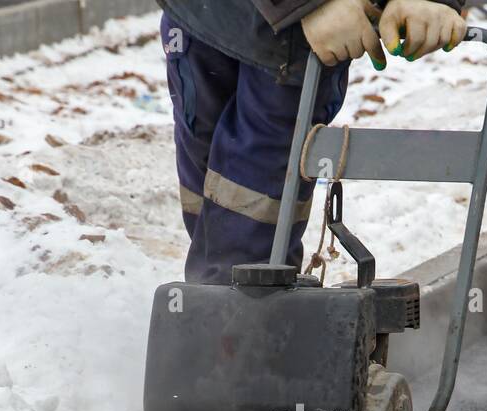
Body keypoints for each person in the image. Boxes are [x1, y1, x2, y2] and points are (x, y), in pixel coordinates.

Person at [157, 0, 468, 283]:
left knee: (248, 227)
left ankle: (233, 319)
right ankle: (227, 320)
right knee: (222, 204)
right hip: (216, 18)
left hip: (294, 41)